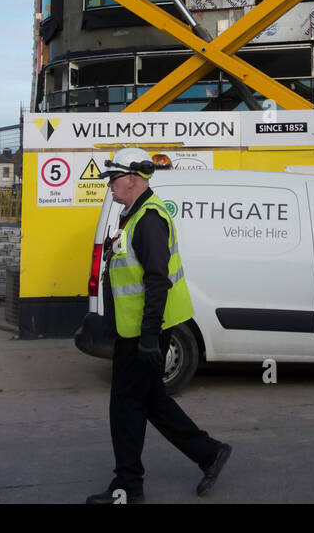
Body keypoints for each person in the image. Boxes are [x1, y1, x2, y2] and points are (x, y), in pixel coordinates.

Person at [86, 153, 231, 504]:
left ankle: (127, 487)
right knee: (149, 400)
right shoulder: (135, 214)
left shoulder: (149, 219)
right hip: (135, 329)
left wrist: (150, 337)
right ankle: (208, 453)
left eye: (114, 178)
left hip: (143, 332)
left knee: (124, 406)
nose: (109, 185)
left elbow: (156, 281)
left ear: (133, 178)